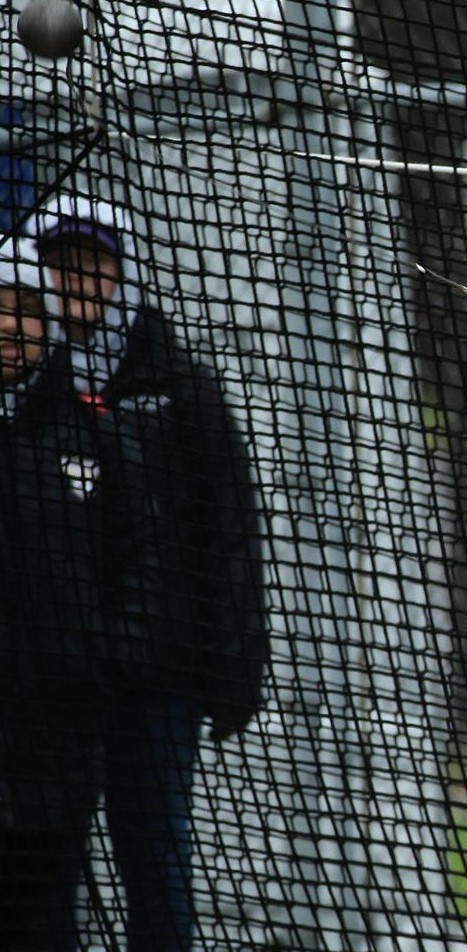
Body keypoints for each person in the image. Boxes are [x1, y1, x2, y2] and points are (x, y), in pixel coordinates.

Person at [31, 196, 269, 951]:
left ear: (121, 273)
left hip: (159, 672)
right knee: (45, 859)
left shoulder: (180, 384)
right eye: (62, 267)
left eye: (93, 266)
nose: (78, 283)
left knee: (155, 847)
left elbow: (227, 530)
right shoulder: (30, 389)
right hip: (57, 674)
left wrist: (232, 663)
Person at [0, 242, 144, 948]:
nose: (10, 326)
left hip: (52, 751)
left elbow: (129, 560)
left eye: (26, 310)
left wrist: (100, 661)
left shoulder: (88, 429)